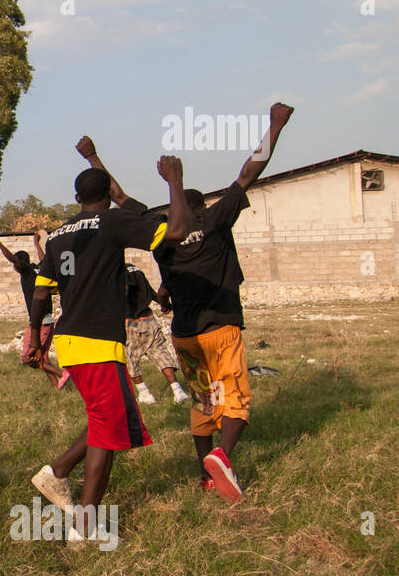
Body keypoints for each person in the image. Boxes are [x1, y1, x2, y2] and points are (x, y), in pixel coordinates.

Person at [25, 139, 188, 544]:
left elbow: (42, 293)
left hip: (70, 342)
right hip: (97, 341)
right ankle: (84, 523)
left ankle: (57, 473)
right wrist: (175, 181)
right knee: (107, 429)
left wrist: (36, 339)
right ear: (106, 197)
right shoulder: (113, 223)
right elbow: (178, 230)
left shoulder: (60, 237)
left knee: (104, 421)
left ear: (77, 197)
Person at [154, 102, 295, 504]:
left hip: (185, 336)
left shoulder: (163, 243)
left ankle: (206, 477)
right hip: (221, 329)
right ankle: (223, 456)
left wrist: (95, 158)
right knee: (235, 401)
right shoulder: (214, 222)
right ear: (200, 208)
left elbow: (119, 197)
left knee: (204, 401)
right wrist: (276, 125)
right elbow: (249, 172)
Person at [0, 231, 67, 388]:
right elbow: (43, 259)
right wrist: (36, 243)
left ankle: (62, 374)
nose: (14, 265)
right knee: (42, 356)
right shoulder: (39, 270)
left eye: (16, 263)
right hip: (47, 320)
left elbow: (12, 258)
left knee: (28, 357)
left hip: (40, 322)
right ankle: (56, 386)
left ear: (20, 264)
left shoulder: (27, 272)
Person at [123, 262, 189, 406]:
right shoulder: (136, 268)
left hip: (131, 322)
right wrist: (164, 304)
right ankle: (178, 391)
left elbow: (125, 289)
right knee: (160, 354)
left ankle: (145, 393)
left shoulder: (119, 271)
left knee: (130, 359)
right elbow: (150, 291)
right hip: (149, 320)